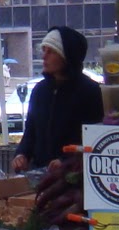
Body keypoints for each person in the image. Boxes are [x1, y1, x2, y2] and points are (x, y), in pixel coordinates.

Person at [13, 26, 104, 172]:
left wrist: (66, 161)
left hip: (75, 177)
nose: (44, 56)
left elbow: (94, 139)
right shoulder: (39, 91)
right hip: (40, 174)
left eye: (51, 52)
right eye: (44, 50)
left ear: (66, 56)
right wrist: (22, 154)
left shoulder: (90, 91)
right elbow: (30, 132)